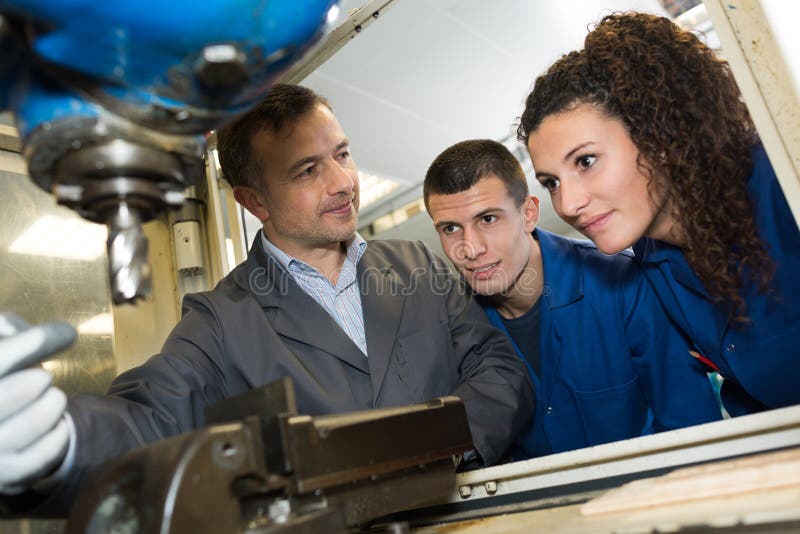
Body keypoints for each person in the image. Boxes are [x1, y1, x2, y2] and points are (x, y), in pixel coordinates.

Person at [0, 84, 534, 515]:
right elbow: (148, 417)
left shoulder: (417, 265)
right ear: (254, 201)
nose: (343, 181)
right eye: (307, 170)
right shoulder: (222, 319)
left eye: (341, 154)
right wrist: (60, 441)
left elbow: (499, 370)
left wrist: (445, 444)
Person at [517, 12, 800, 417]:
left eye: (586, 160)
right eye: (551, 182)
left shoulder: (782, 186)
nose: (567, 205)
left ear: (658, 134)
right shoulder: (651, 257)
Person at [423, 139, 722, 459]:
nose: (470, 248)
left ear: (528, 214)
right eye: (451, 228)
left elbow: (693, 426)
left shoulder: (623, 285)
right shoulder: (451, 327)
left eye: (488, 219)